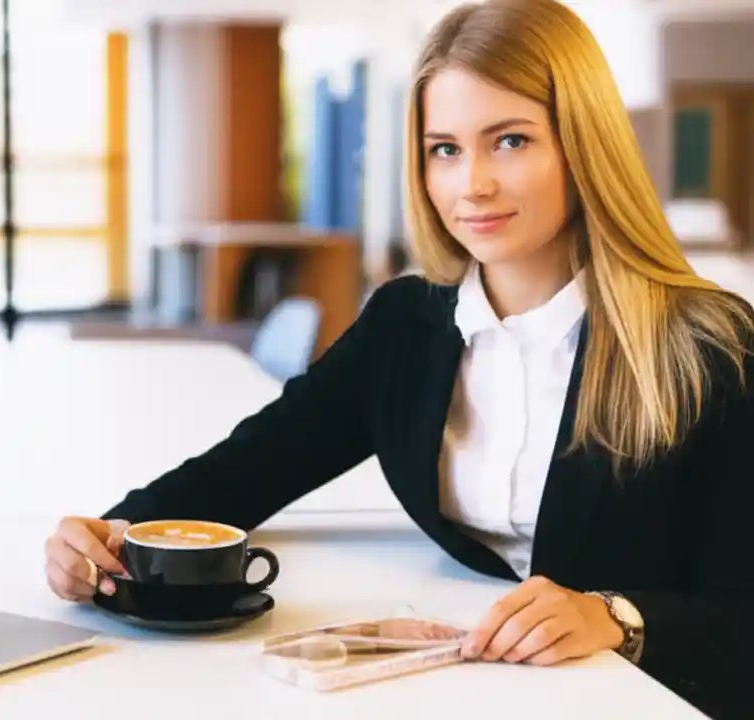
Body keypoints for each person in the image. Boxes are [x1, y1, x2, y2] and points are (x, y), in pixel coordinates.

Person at [43, 0, 754, 716]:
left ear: (583, 144)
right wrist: (111, 536)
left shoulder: (707, 347)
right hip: (486, 689)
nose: (471, 182)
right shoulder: (406, 324)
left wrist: (619, 617)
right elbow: (248, 468)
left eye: (509, 141)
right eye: (444, 148)